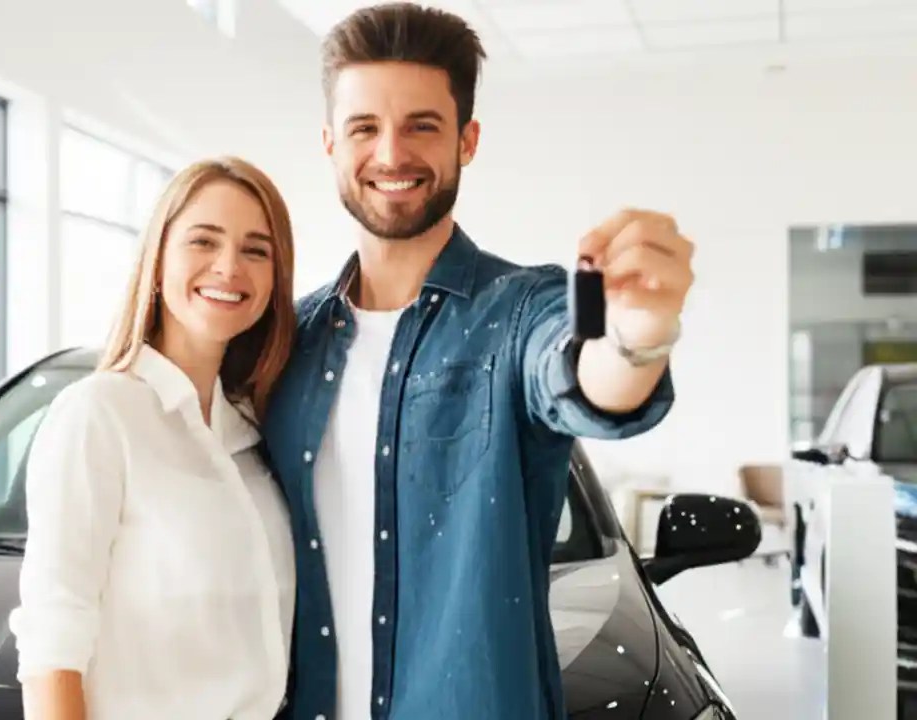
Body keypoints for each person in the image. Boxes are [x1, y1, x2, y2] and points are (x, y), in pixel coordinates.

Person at [262, 3, 695, 719]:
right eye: (365, 128)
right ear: (331, 142)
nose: (392, 154)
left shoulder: (521, 311)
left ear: (467, 140)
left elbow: (586, 379)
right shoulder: (288, 342)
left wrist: (637, 331)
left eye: (422, 126)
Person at [9, 156, 299, 720]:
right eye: (203, 242)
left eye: (256, 250)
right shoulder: (99, 415)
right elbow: (51, 642)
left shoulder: (255, 438)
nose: (229, 267)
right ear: (158, 257)